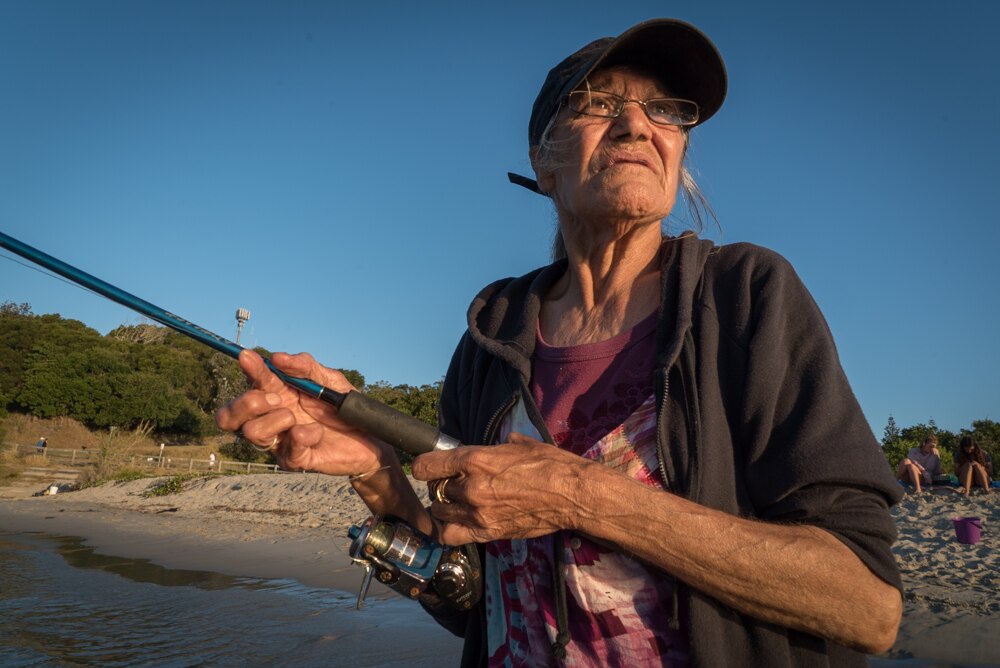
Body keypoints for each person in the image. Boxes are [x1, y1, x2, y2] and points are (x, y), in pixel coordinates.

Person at [216, 18, 902, 666]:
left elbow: (867, 605)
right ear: (543, 164)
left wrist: (581, 496)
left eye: (664, 109)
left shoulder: (747, 295)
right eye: (598, 103)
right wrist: (381, 479)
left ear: (679, 149)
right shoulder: (491, 337)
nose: (637, 123)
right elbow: (476, 603)